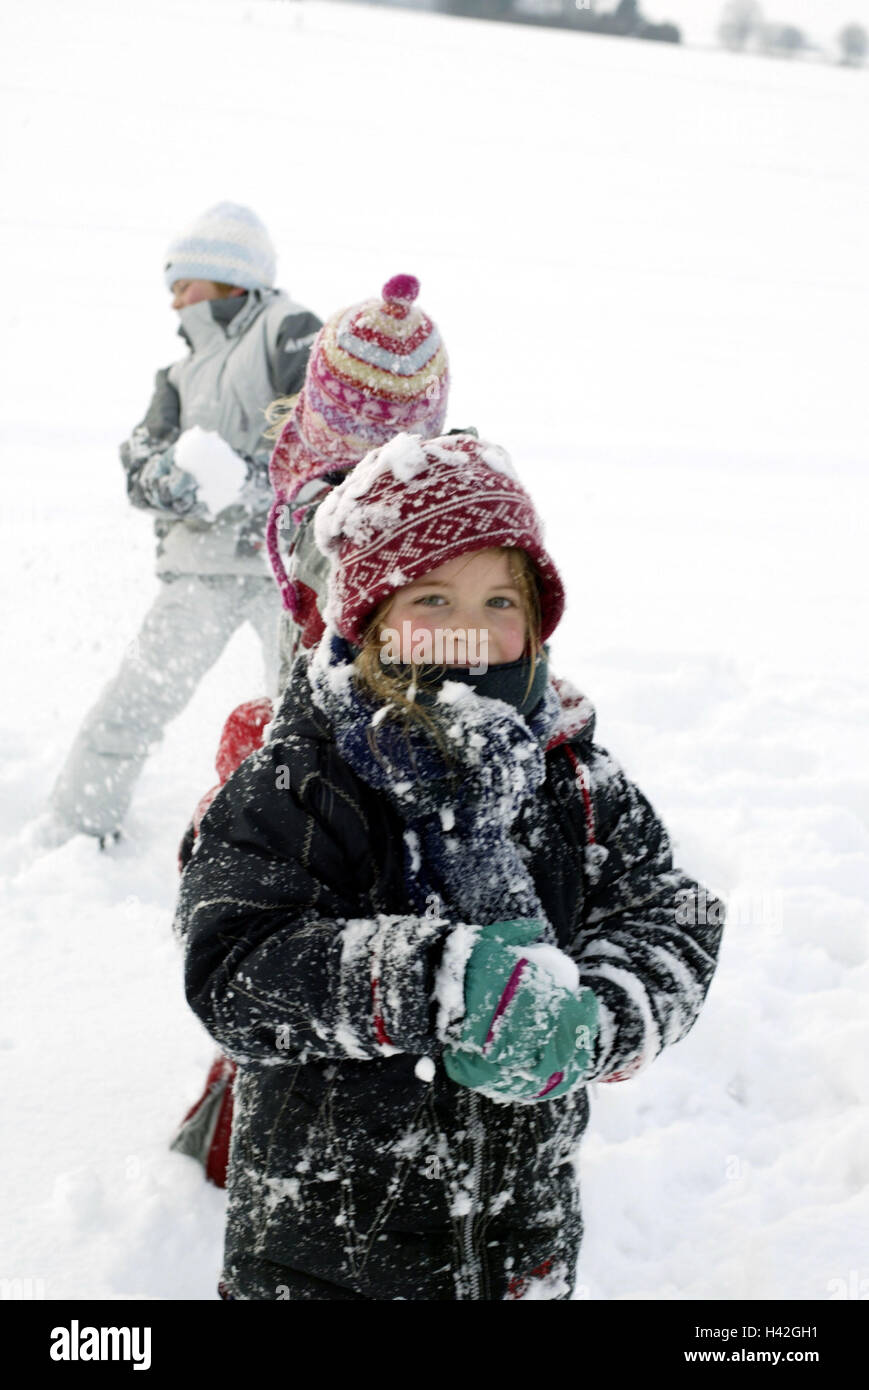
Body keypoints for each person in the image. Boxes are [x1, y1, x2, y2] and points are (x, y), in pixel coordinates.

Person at [175, 432, 725, 1301]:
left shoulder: (569, 772)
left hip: (521, 1234)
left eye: (500, 599)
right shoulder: (306, 775)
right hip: (324, 1249)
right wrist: (430, 983)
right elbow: (235, 967)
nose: (471, 630)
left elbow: (669, 915)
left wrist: (601, 1019)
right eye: (432, 597)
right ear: (369, 618)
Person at [46, 203, 322, 846]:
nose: (173, 302)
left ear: (228, 274)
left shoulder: (290, 331)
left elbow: (317, 439)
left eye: (182, 285)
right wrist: (162, 483)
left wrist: (250, 484)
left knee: (304, 715)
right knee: (134, 702)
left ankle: (306, 846)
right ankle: (78, 833)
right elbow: (139, 457)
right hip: (200, 570)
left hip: (285, 570)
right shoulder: (175, 372)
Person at [265, 271, 450, 686]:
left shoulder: (337, 532)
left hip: (362, 733)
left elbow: (306, 679)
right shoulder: (463, 497)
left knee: (246, 724)